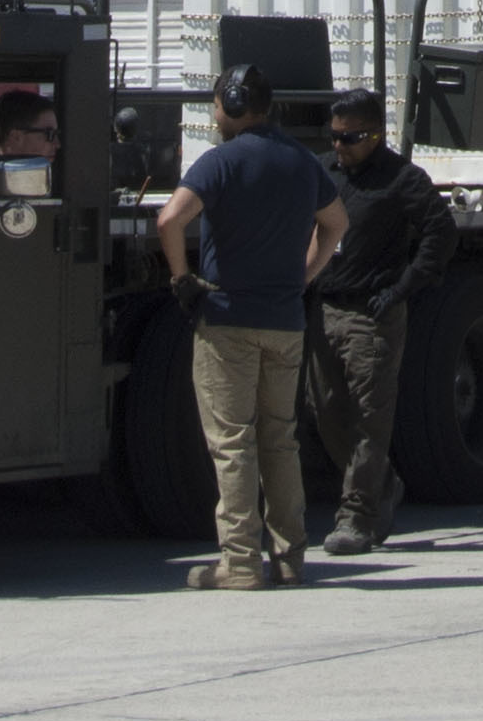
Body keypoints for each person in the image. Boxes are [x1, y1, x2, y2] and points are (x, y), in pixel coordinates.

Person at [155, 64, 341, 587]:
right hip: (284, 321)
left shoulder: (220, 162)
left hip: (228, 321)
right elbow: (336, 224)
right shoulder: (302, 162)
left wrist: (181, 279)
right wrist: (304, 274)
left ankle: (239, 562)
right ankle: (290, 557)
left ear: (231, 104)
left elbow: (170, 220)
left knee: (233, 441)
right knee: (280, 439)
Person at [306, 85, 447, 558]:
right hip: (326, 307)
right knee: (326, 411)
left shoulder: (401, 178)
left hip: (373, 313)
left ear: (377, 135)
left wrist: (404, 287)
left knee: (370, 419)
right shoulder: (325, 172)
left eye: (351, 138)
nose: (340, 147)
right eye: (335, 137)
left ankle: (358, 518)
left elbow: (440, 231)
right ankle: (382, 480)